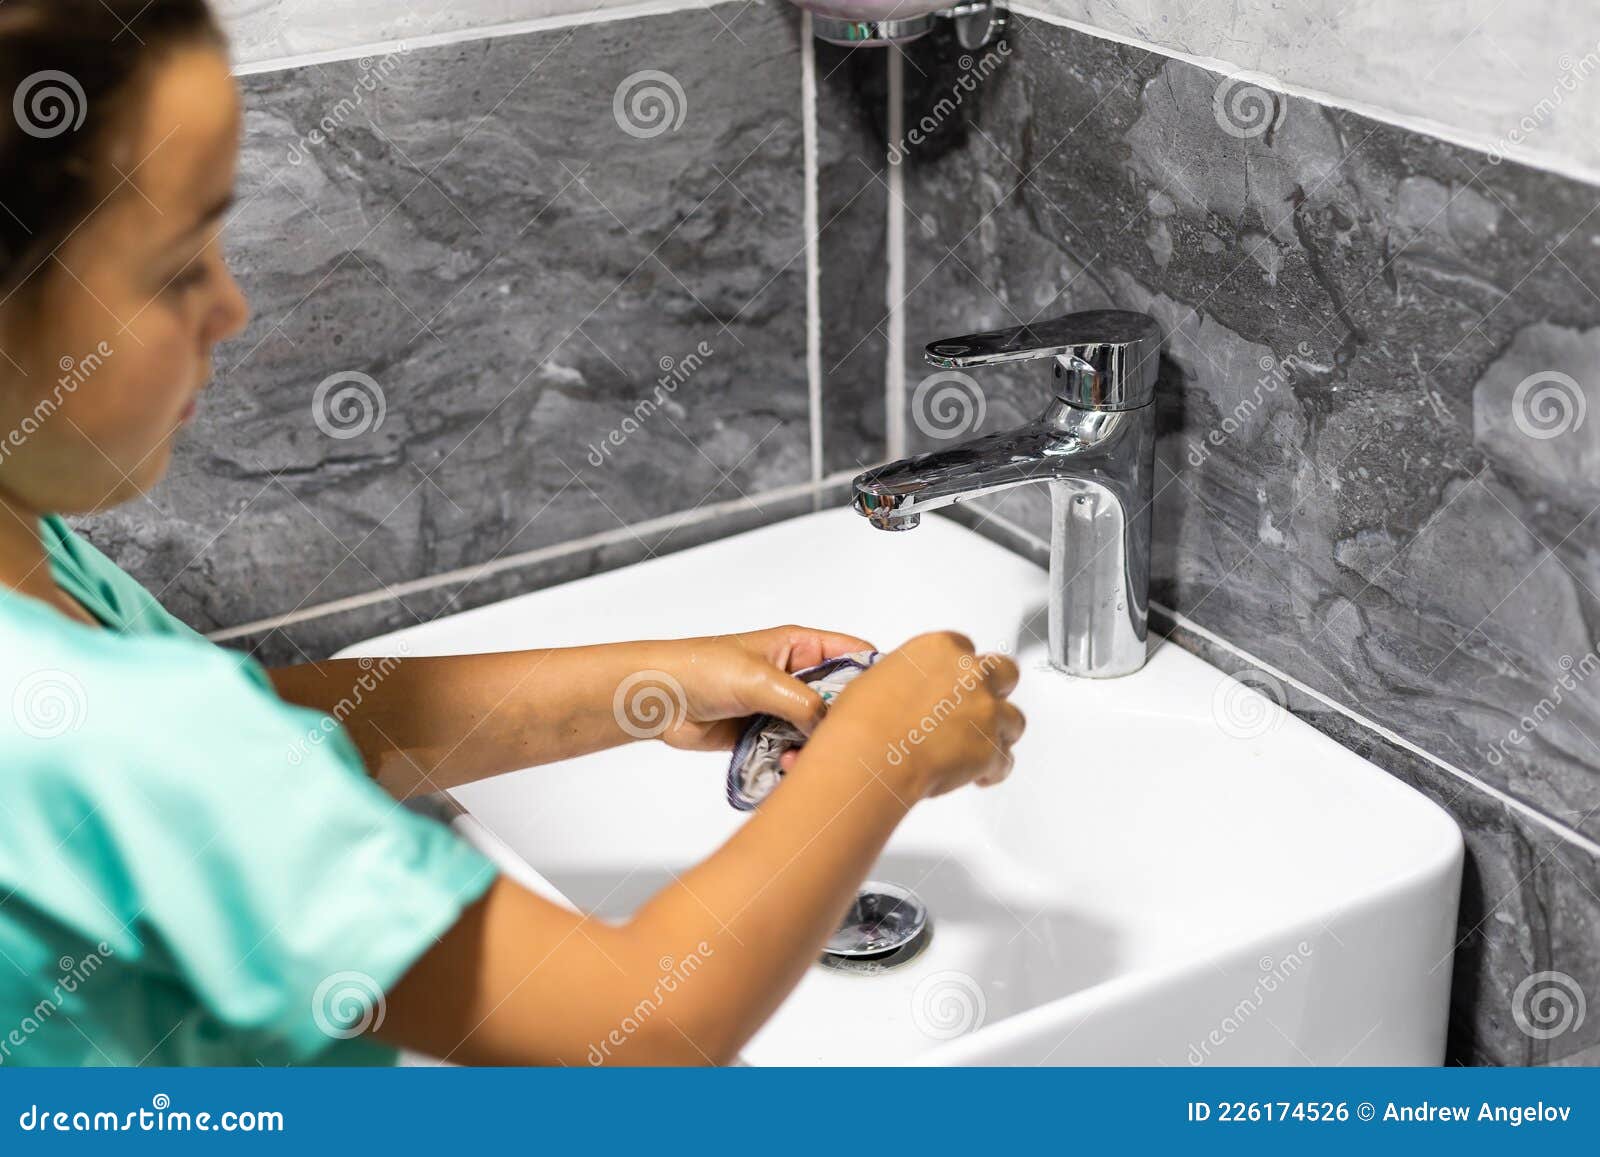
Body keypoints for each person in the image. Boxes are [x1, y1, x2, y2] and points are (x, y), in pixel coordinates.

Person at [0, 0, 1025, 1067]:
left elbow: (256, 744)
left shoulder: (32, 565)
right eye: (175, 268)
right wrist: (874, 761)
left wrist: (644, 683)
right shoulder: (99, 737)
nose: (232, 308)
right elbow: (640, 1029)